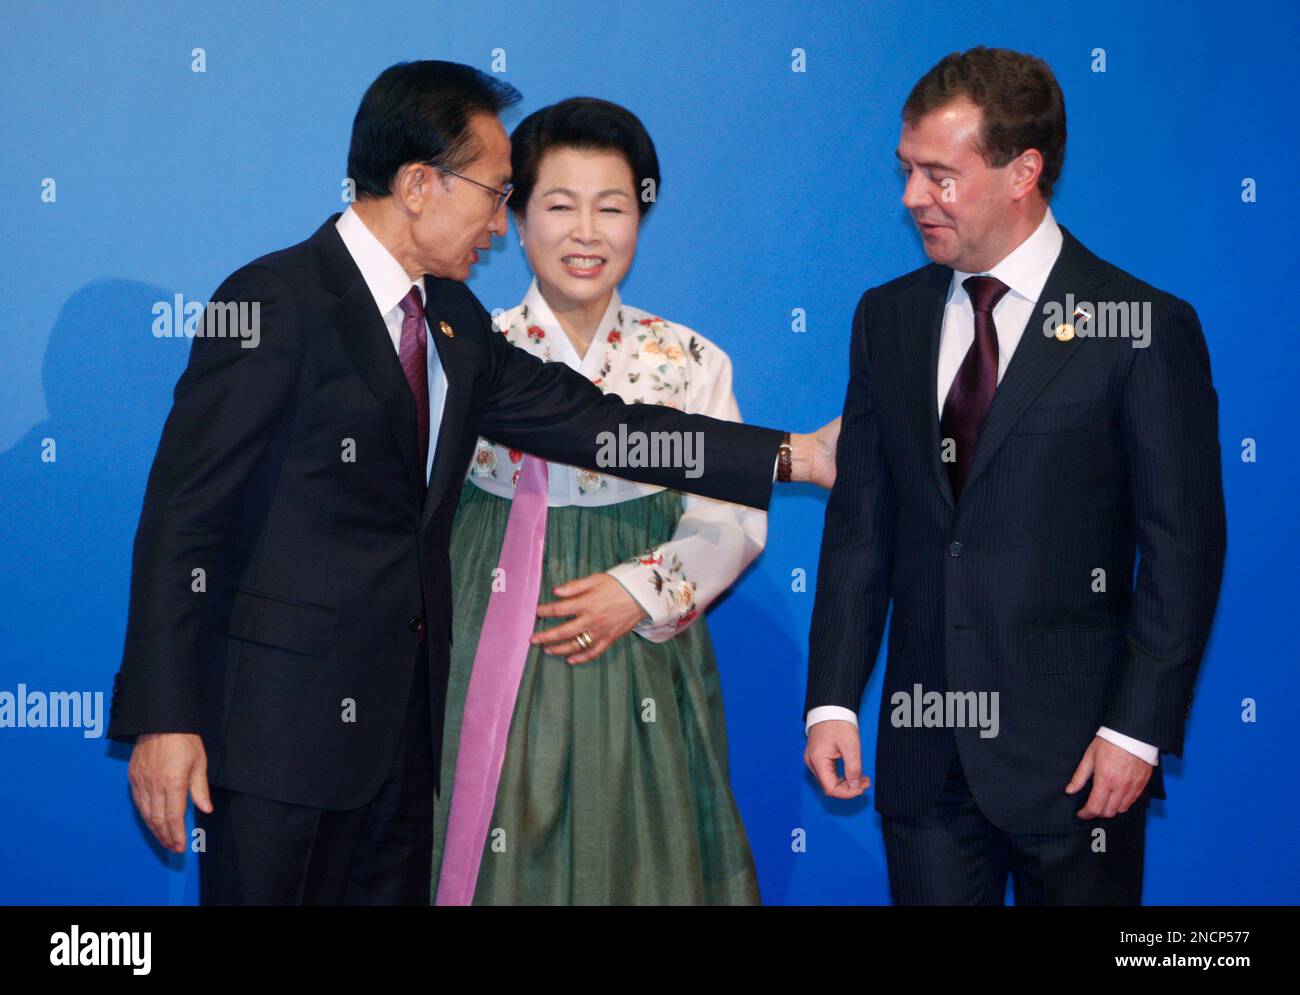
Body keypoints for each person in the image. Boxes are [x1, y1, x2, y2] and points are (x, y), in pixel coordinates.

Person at [105, 60, 838, 905]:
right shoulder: (274, 301)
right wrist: (165, 716)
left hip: (409, 742)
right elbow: (181, 522)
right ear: (419, 183)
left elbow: (605, 427)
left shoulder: (451, 321)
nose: (501, 222)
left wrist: (798, 456)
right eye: (497, 193)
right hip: (279, 739)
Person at [803, 47, 1225, 905]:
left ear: (1023, 171)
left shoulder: (1141, 326)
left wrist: (1136, 730)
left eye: (938, 174)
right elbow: (861, 526)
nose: (912, 197)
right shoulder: (887, 318)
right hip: (924, 761)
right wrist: (833, 702)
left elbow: (1183, 547)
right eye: (907, 170)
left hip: (1078, 763)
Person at [432, 98, 795, 905]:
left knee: (647, 852)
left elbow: (729, 516)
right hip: (493, 614)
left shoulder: (690, 358)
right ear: (516, 216)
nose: (586, 232)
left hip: (644, 638)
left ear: (643, 214)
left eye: (614, 207)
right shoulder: (469, 350)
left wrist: (638, 592)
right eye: (558, 206)